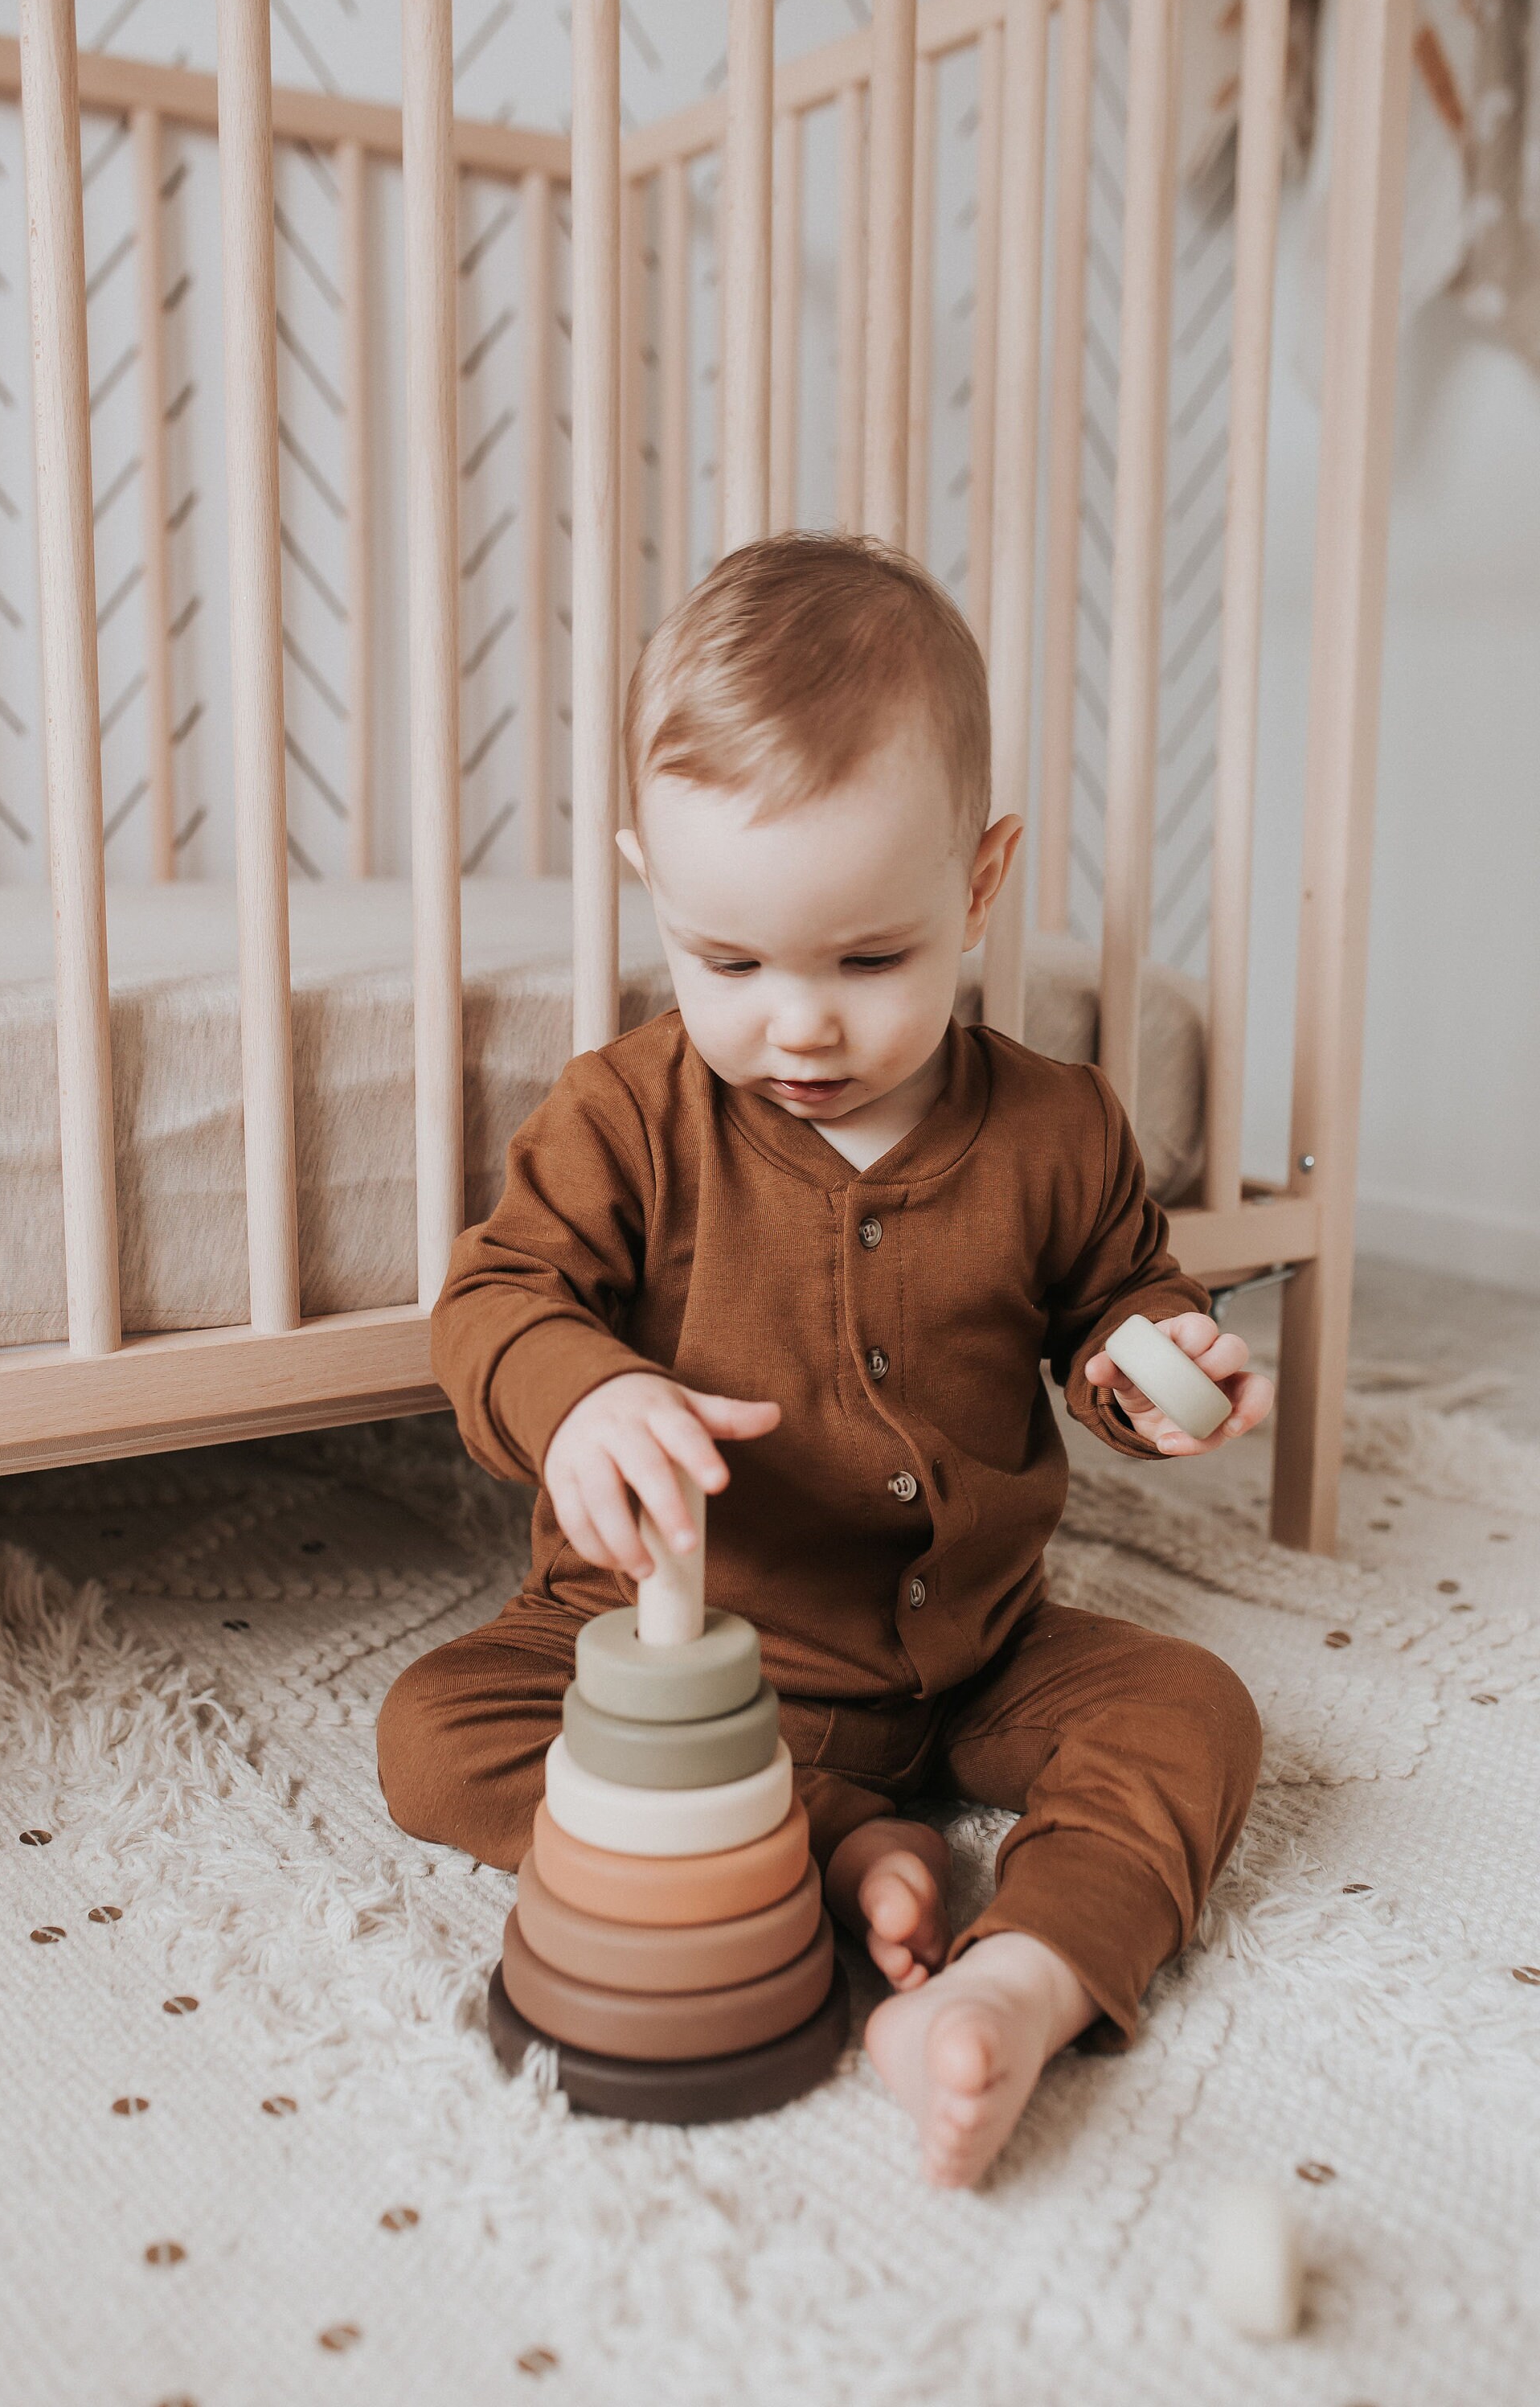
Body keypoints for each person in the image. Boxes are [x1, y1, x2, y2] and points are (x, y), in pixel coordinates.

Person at [377, 532, 1272, 2187]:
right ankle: (837, 1840)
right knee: (436, 1731)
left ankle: (1023, 1977)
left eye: (869, 960)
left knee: (1195, 1710)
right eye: (729, 964)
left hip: (975, 1651)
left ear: (979, 884)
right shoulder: (623, 1117)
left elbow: (1113, 1309)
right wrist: (584, 1389)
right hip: (663, 1659)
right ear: (657, 889)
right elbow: (492, 1301)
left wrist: (1155, 1364)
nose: (799, 1024)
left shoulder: (1062, 1126)